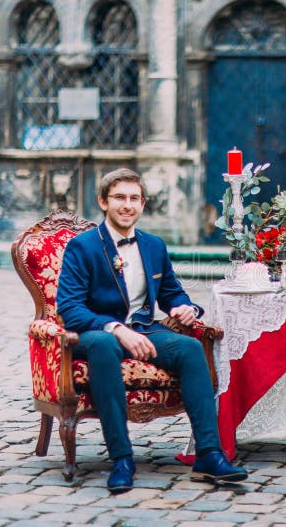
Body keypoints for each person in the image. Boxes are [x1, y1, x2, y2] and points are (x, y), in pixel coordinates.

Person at [57, 168, 247, 493]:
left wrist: (183, 308)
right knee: (103, 345)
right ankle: (122, 459)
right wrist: (115, 328)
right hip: (97, 333)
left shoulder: (154, 245)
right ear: (103, 202)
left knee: (188, 349)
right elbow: (70, 308)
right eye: (119, 198)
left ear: (143, 204)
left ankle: (209, 455)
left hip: (145, 329)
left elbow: (172, 292)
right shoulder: (83, 247)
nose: (127, 205)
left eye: (134, 198)